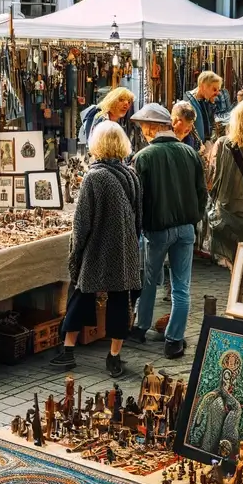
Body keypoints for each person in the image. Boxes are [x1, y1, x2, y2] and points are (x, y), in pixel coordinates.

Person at [51, 121, 141, 380]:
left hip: (97, 248)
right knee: (119, 301)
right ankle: (114, 357)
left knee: (81, 294)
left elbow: (81, 223)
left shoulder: (94, 177)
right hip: (124, 249)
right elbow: (138, 217)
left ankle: (67, 351)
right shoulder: (130, 174)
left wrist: (75, 251)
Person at [127, 103, 207, 359]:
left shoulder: (144, 157)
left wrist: (139, 227)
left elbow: (136, 200)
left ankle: (141, 326)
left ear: (152, 128)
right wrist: (193, 218)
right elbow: (201, 193)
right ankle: (174, 340)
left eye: (143, 128)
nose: (143, 133)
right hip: (185, 229)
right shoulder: (190, 153)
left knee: (149, 280)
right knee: (181, 286)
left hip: (158, 230)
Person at [208, 99, 243, 267]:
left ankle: (235, 284)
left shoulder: (223, 143)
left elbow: (212, 177)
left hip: (228, 208)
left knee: (234, 257)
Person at [184, 70, 223, 150]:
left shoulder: (205, 101)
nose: (217, 93)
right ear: (203, 86)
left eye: (218, 90)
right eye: (214, 89)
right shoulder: (188, 103)